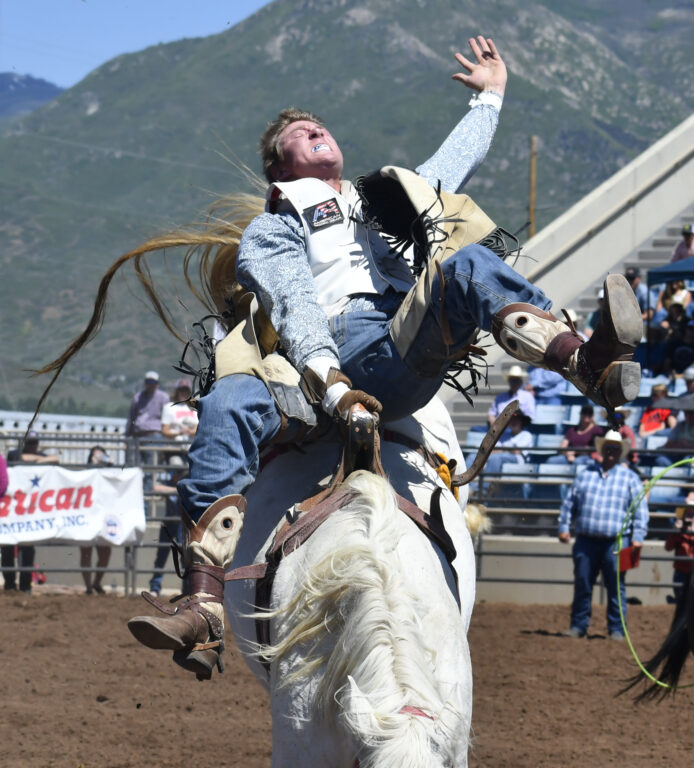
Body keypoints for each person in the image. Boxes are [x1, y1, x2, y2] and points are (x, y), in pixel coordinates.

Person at [37, 35, 644, 679]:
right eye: (300, 132)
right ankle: (205, 603)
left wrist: (491, 98)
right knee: (229, 399)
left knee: (465, 266)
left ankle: (587, 364)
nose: (315, 128)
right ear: (280, 168)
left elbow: (450, 164)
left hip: (387, 349)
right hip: (303, 371)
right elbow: (295, 306)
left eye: (318, 125)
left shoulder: (381, 200)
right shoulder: (272, 228)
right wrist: (329, 383)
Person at [558, 430, 648, 639]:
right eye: (608, 447)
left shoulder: (630, 478)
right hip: (586, 540)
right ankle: (579, 626)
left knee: (616, 586)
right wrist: (563, 527)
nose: (611, 452)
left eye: (615, 448)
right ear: (602, 450)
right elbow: (569, 504)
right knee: (583, 583)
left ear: (620, 452)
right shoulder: (585, 474)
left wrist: (638, 537)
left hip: (617, 541)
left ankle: (617, 628)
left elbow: (640, 510)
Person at [1, 431, 58, 593]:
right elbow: (21, 459)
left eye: (34, 442)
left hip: (30, 511)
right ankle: (10, 584)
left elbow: (55, 459)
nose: (32, 445)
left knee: (27, 549)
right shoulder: (14, 454)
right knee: (7, 548)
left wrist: (39, 458)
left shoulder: (40, 455)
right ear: (24, 443)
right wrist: (39, 460)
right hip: (12, 509)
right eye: (30, 442)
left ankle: (25, 585)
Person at [147, 454, 187, 596]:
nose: (175, 475)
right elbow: (154, 487)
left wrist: (173, 490)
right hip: (169, 523)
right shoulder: (179, 485)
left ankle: (186, 588)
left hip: (182, 524)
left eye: (178, 472)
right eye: (172, 472)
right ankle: (155, 587)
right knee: (161, 555)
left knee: (185, 557)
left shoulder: (186, 484)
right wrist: (176, 490)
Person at [79, 446, 113, 595]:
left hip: (104, 517)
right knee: (86, 553)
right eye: (96, 456)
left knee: (105, 554)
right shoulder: (85, 474)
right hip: (87, 516)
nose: (99, 459)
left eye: (101, 456)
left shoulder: (110, 473)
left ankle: (96, 583)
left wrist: (110, 464)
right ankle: (88, 587)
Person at [125, 371, 169, 446]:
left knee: (151, 457)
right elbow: (131, 418)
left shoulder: (163, 398)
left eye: (153, 382)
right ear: (145, 383)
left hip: (155, 435)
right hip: (137, 436)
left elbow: (167, 418)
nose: (151, 385)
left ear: (157, 384)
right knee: (132, 457)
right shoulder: (137, 398)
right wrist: (127, 436)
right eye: (149, 382)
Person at [664, 499, 694, 604]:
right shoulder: (679, 531)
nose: (690, 517)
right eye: (688, 513)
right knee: (680, 599)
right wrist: (675, 532)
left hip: (692, 572)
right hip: (680, 571)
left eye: (693, 513)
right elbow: (668, 547)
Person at [161, 377, 199, 444]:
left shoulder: (195, 406)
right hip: (174, 447)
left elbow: (198, 428)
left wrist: (189, 432)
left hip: (191, 447)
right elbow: (165, 431)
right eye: (181, 390)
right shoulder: (169, 406)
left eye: (186, 390)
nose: (183, 393)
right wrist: (180, 433)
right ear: (177, 391)